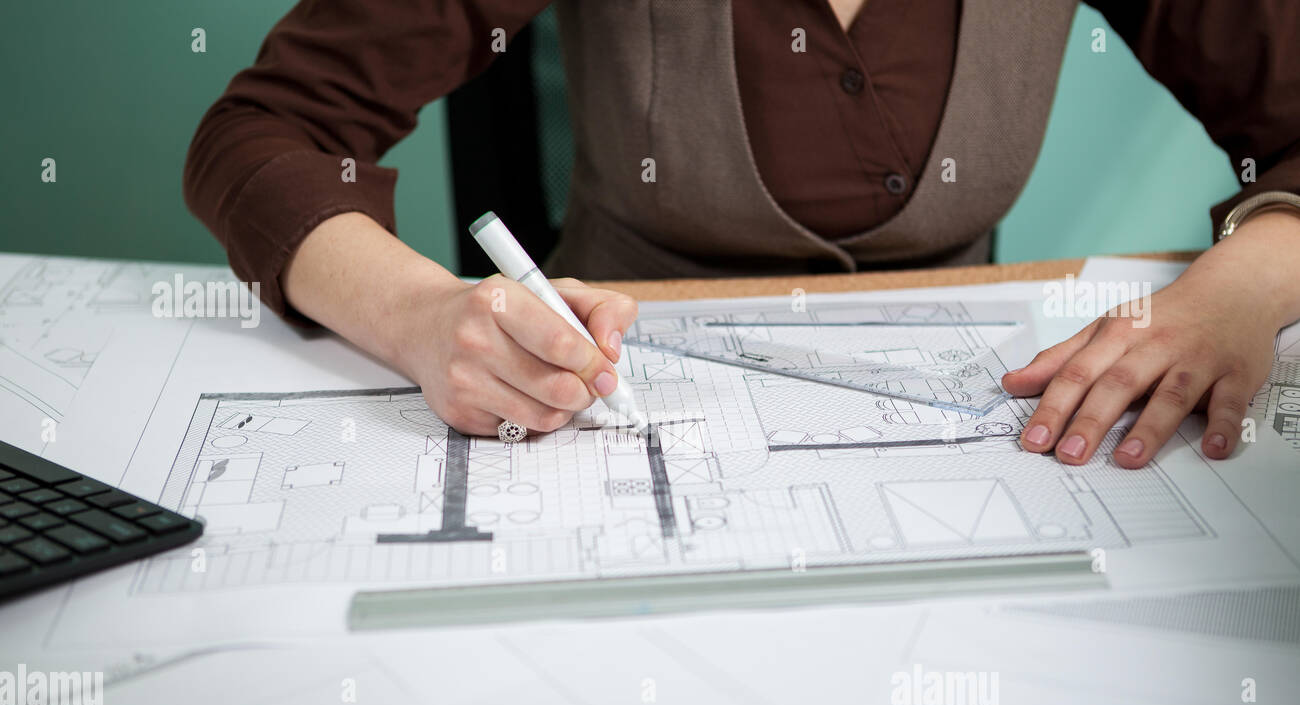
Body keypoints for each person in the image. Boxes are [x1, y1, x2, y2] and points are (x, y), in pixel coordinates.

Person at [184, 0, 1300, 467]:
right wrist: (425, 318)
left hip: (985, 411)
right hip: (599, 412)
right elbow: (265, 132)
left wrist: (1247, 282)